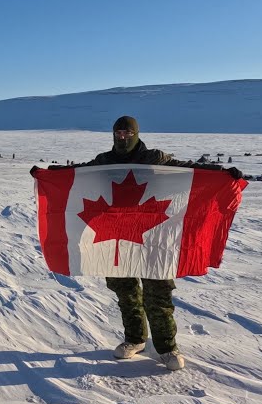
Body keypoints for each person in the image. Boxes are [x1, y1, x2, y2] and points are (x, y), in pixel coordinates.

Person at [30, 115, 241, 371]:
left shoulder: (154, 159)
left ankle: (166, 347)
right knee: (125, 292)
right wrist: (49, 175)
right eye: (119, 133)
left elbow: (187, 170)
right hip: (115, 238)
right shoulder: (104, 162)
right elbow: (78, 174)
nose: (123, 138)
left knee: (158, 293)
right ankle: (135, 339)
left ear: (136, 134)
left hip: (153, 237)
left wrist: (221, 173)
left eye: (127, 134)